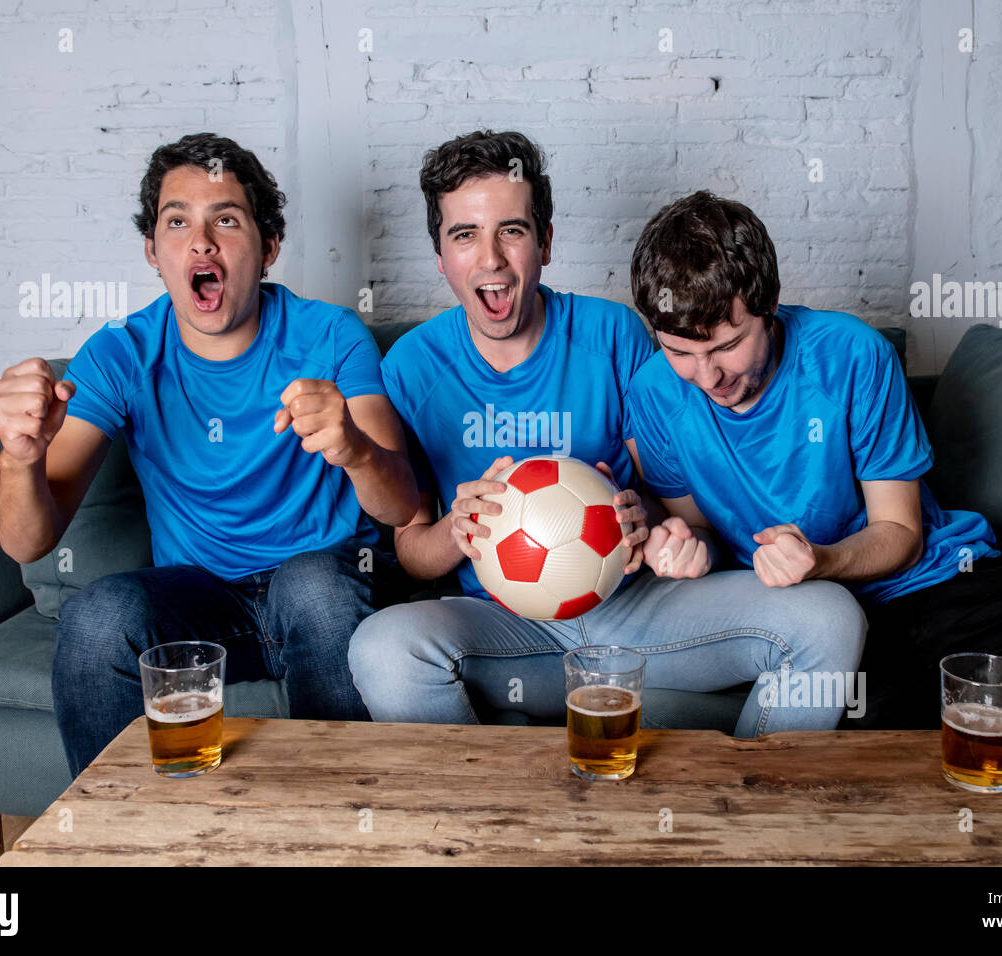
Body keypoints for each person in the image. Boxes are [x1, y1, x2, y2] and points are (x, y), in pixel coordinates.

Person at [346, 131, 866, 734]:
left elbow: (679, 503)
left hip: (639, 612)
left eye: (511, 230)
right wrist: (455, 532)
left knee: (829, 617)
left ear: (544, 242)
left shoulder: (613, 334)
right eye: (465, 235)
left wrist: (649, 524)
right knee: (381, 648)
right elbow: (411, 551)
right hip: (505, 626)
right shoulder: (412, 365)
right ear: (440, 255)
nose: (490, 258)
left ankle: (749, 806)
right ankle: (483, 817)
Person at [0, 133, 418, 777]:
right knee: (95, 616)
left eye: (226, 219)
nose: (201, 241)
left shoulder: (329, 334)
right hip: (201, 603)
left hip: (324, 581)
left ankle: (338, 831)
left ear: (269, 246)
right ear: (153, 252)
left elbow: (406, 503)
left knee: (314, 590)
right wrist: (19, 458)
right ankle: (124, 841)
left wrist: (356, 451)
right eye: (177, 221)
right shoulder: (122, 354)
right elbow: (28, 541)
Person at [625, 190, 1002, 728]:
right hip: (803, 616)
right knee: (860, 714)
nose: (707, 376)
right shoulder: (651, 393)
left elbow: (901, 533)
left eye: (726, 346)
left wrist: (822, 560)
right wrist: (688, 550)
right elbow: (702, 532)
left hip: (920, 586)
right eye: (680, 352)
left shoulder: (854, 355)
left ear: (769, 307)